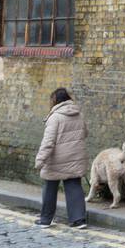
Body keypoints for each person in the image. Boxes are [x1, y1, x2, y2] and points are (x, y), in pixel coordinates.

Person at [34, 89, 89, 228]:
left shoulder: (55, 117)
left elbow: (48, 142)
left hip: (56, 159)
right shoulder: (79, 115)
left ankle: (45, 220)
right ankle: (78, 220)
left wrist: (40, 160)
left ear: (55, 101)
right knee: (74, 185)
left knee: (50, 187)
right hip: (75, 157)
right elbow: (85, 133)